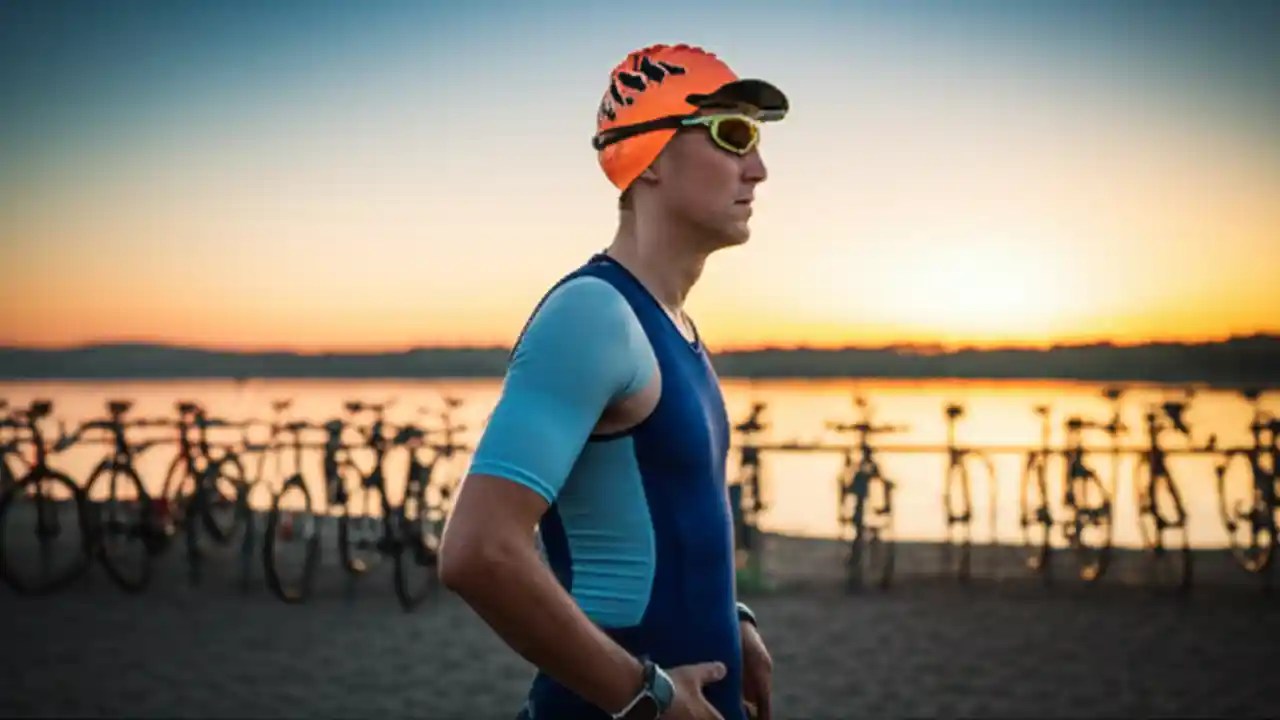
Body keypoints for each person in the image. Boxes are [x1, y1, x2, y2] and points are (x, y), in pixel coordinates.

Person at [438, 43, 789, 720]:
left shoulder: (671, 323)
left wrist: (729, 616)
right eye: (734, 135)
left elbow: (666, 522)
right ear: (651, 155)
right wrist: (646, 696)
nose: (760, 169)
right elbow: (479, 551)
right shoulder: (592, 315)